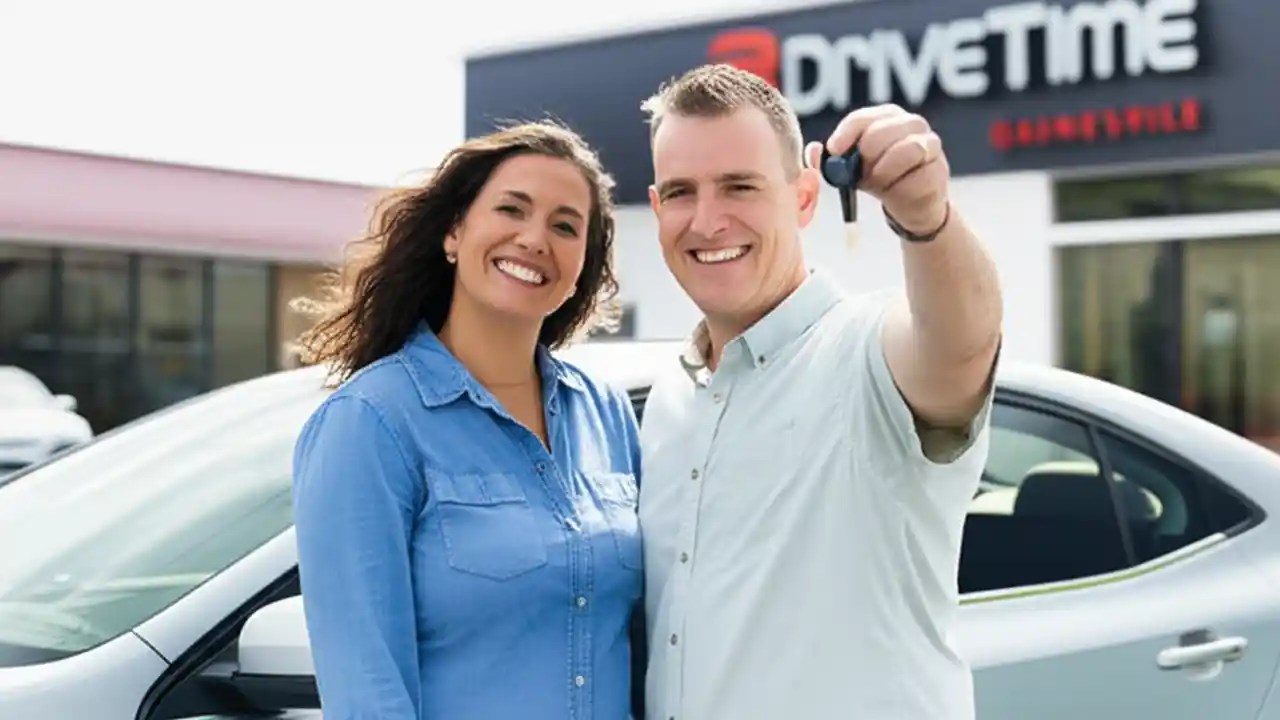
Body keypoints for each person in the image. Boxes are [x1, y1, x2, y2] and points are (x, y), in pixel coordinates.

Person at [636, 64, 1003, 719]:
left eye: (739, 187)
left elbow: (963, 342)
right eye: (682, 192)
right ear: (657, 207)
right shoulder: (668, 396)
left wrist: (926, 218)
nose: (708, 220)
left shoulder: (867, 353)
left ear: (805, 196)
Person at [290, 121, 645, 720]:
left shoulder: (607, 414)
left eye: (565, 226)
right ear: (455, 231)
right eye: (512, 209)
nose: (535, 238)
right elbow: (366, 692)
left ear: (582, 266)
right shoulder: (369, 424)